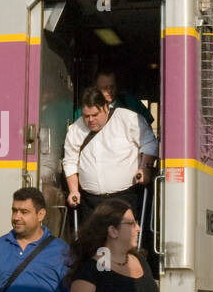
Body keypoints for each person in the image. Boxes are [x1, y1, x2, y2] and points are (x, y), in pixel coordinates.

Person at [63, 87, 158, 225]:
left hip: (125, 198)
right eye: (86, 116)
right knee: (93, 244)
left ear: (106, 108)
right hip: (90, 202)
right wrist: (73, 191)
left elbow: (149, 142)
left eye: (95, 115)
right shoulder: (75, 129)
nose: (90, 120)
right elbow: (70, 161)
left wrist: (145, 168)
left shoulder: (128, 119)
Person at [76, 70, 155, 127]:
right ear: (96, 88)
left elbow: (148, 121)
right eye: (105, 88)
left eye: (112, 87)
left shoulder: (130, 102)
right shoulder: (86, 108)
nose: (109, 91)